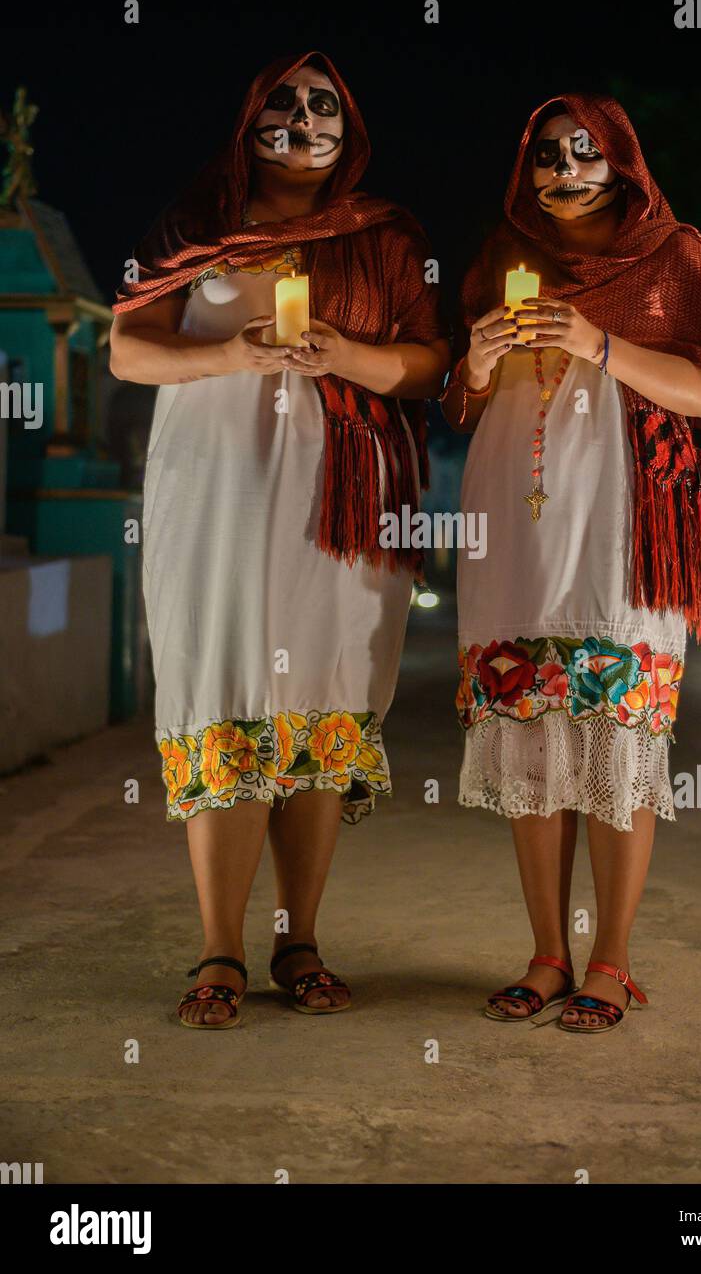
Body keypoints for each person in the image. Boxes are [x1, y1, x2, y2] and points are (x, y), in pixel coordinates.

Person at [111, 52, 448, 1029]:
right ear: (247, 116)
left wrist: (345, 354)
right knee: (224, 693)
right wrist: (229, 352)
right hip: (214, 493)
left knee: (320, 702)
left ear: (351, 128)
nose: (302, 116)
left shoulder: (384, 236)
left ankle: (297, 939)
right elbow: (128, 347)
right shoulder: (194, 221)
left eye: (323, 103)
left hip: (341, 504)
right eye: (283, 100)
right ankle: (219, 948)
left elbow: (429, 365)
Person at [441, 94, 701, 1033]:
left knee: (618, 726)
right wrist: (478, 365)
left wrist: (598, 342)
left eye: (585, 154)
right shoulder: (505, 256)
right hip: (511, 514)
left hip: (623, 516)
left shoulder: (676, 255)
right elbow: (460, 410)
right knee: (530, 723)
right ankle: (546, 955)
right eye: (546, 155)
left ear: (622, 163)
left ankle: (612, 962)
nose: (563, 171)